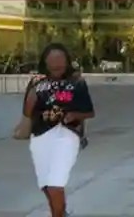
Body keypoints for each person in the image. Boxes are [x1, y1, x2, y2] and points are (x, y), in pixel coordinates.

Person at [24, 43, 94, 217]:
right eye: (52, 61)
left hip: (67, 133)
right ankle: (60, 213)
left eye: (60, 61)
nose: (57, 65)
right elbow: (27, 113)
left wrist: (73, 115)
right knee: (46, 183)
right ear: (45, 63)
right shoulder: (36, 82)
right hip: (40, 134)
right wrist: (31, 96)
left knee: (56, 182)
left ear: (67, 62)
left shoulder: (77, 82)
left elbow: (89, 112)